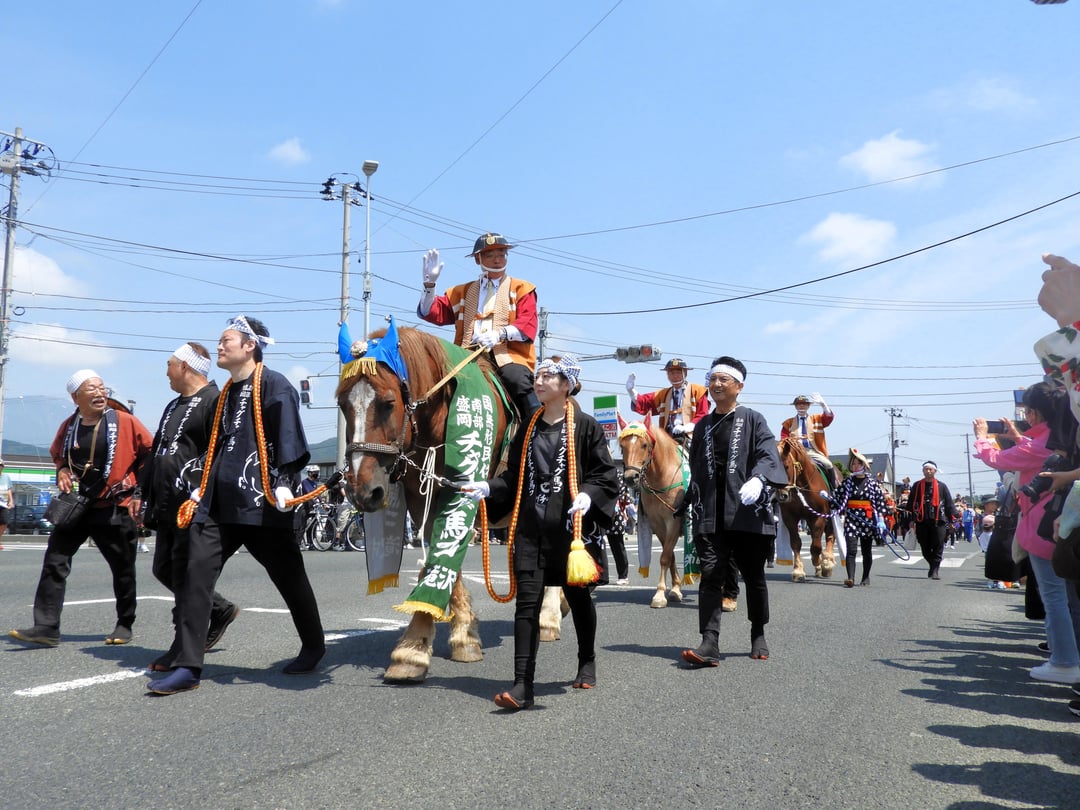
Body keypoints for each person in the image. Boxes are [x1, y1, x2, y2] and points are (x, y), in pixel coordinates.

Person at [147, 316, 325, 695]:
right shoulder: (225, 392)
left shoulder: (275, 384)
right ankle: (188, 665)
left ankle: (313, 644)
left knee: (290, 579)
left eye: (226, 340)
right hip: (218, 505)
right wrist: (200, 489)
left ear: (250, 346)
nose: (219, 346)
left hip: (261, 505)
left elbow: (289, 439)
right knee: (193, 573)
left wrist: (284, 483)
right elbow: (216, 447)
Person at [462, 354, 619, 711]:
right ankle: (522, 685)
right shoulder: (529, 427)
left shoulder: (586, 426)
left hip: (570, 531)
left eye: (549, 376)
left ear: (567, 385)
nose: (540, 380)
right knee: (526, 606)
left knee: (579, 600)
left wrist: (587, 495)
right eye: (539, 374)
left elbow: (605, 476)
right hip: (531, 528)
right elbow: (512, 475)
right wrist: (487, 488)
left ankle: (587, 659)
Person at [9, 370, 153, 647]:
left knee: (122, 567)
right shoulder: (69, 425)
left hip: (113, 505)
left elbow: (149, 452)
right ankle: (46, 627)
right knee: (55, 561)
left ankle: (125, 623)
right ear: (76, 397)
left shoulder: (124, 421)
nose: (100, 393)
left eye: (102, 388)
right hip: (77, 505)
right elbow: (58, 456)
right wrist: (62, 469)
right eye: (92, 389)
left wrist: (139, 490)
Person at [681, 356, 787, 667]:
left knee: (753, 576)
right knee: (711, 575)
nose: (715, 384)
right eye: (712, 379)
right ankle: (709, 641)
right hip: (711, 513)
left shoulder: (753, 419)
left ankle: (758, 632)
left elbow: (768, 453)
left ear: (739, 386)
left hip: (746, 512)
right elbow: (695, 467)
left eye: (722, 380)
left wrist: (759, 477)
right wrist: (690, 498)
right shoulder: (703, 426)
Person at [139, 342, 239, 673]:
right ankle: (219, 609)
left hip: (193, 503)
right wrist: (144, 493)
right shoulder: (172, 405)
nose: (166, 370)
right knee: (164, 569)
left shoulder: (215, 400)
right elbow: (159, 451)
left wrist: (204, 494)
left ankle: (182, 648)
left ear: (185, 367)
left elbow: (221, 452)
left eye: (169, 364)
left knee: (183, 573)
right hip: (166, 501)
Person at [974, 384, 1080, 684]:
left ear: (1035, 412)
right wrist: (1016, 436)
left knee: (1054, 596)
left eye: (1028, 411)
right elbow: (1033, 450)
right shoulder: (1057, 437)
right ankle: (1069, 657)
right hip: (1058, 521)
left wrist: (983, 437)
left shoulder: (1039, 443)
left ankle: (1065, 661)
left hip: (1041, 523)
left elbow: (998, 459)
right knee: (1067, 596)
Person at [418, 232, 539, 419]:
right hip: (466, 355)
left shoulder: (521, 288)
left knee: (517, 381)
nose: (497, 259)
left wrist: (500, 334)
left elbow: (528, 323)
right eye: (490, 255)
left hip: (506, 356)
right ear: (478, 259)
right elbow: (431, 312)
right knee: (436, 384)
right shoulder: (462, 291)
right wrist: (429, 285)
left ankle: (539, 430)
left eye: (501, 254)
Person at [822, 448, 890, 587]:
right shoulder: (847, 483)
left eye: (858, 464)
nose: (855, 466)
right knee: (851, 549)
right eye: (853, 464)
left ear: (864, 465)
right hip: (852, 519)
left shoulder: (873, 484)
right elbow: (837, 500)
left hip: (867, 519)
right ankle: (850, 578)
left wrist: (881, 520)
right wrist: (827, 497)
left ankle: (865, 577)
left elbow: (880, 503)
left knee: (866, 550)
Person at [626, 358, 710, 440]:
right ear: (668, 375)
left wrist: (688, 427)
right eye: (671, 373)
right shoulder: (663, 394)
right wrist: (631, 391)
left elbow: (703, 414)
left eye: (678, 372)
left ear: (685, 373)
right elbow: (644, 402)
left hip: (691, 436)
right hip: (667, 437)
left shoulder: (698, 391)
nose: (675, 376)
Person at [904, 461, 957, 580]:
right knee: (924, 547)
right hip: (922, 520)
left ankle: (935, 570)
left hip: (939, 520)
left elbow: (949, 504)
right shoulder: (917, 485)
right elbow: (912, 504)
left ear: (935, 471)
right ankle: (933, 565)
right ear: (923, 471)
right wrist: (912, 520)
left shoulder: (941, 486)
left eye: (930, 469)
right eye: (926, 469)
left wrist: (951, 521)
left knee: (938, 545)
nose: (928, 471)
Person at [0, 459, 12, 551]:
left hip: (3, 503)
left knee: (4, 521)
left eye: (1, 465)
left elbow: (9, 490)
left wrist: (11, 501)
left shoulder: (6, 477)